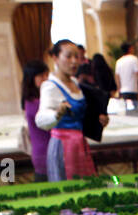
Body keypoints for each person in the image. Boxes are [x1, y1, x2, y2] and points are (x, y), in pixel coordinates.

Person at [36, 39, 101, 181]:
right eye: (68, 56)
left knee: (86, 186)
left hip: (80, 144)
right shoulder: (50, 86)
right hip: (63, 146)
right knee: (68, 187)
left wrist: (99, 121)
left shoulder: (76, 83)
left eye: (77, 57)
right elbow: (40, 119)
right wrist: (56, 114)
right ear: (55, 58)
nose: (74, 61)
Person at [21, 59, 51, 182]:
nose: (46, 79)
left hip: (43, 151)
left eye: (47, 75)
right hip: (45, 152)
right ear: (31, 78)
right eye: (41, 76)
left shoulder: (33, 99)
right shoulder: (34, 102)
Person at [115, 41, 138, 110]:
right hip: (132, 90)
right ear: (130, 49)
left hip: (123, 91)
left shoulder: (119, 61)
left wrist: (118, 89)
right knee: (135, 110)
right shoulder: (134, 59)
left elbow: (117, 77)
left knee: (127, 111)